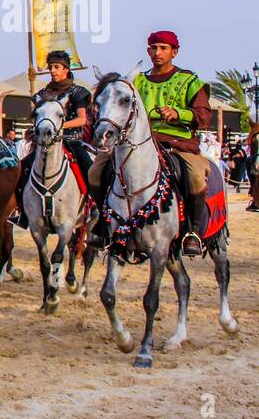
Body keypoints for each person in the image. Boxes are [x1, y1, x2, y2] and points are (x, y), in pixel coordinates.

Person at [88, 30, 213, 256]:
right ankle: (104, 222)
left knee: (195, 175)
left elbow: (204, 115)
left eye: (163, 48)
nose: (158, 53)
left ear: (174, 52)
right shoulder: (138, 81)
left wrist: (178, 113)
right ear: (148, 51)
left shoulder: (189, 81)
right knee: (96, 171)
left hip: (178, 143)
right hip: (139, 143)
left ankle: (192, 232)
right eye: (154, 48)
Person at [12, 49, 92, 227]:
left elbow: (82, 119)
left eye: (57, 67)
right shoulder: (41, 95)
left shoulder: (78, 92)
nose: (53, 71)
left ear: (66, 69)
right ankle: (24, 214)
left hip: (71, 141)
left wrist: (58, 127)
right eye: (51, 67)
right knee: (21, 170)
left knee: (90, 170)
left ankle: (95, 210)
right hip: (43, 145)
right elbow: (36, 119)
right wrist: (32, 131)